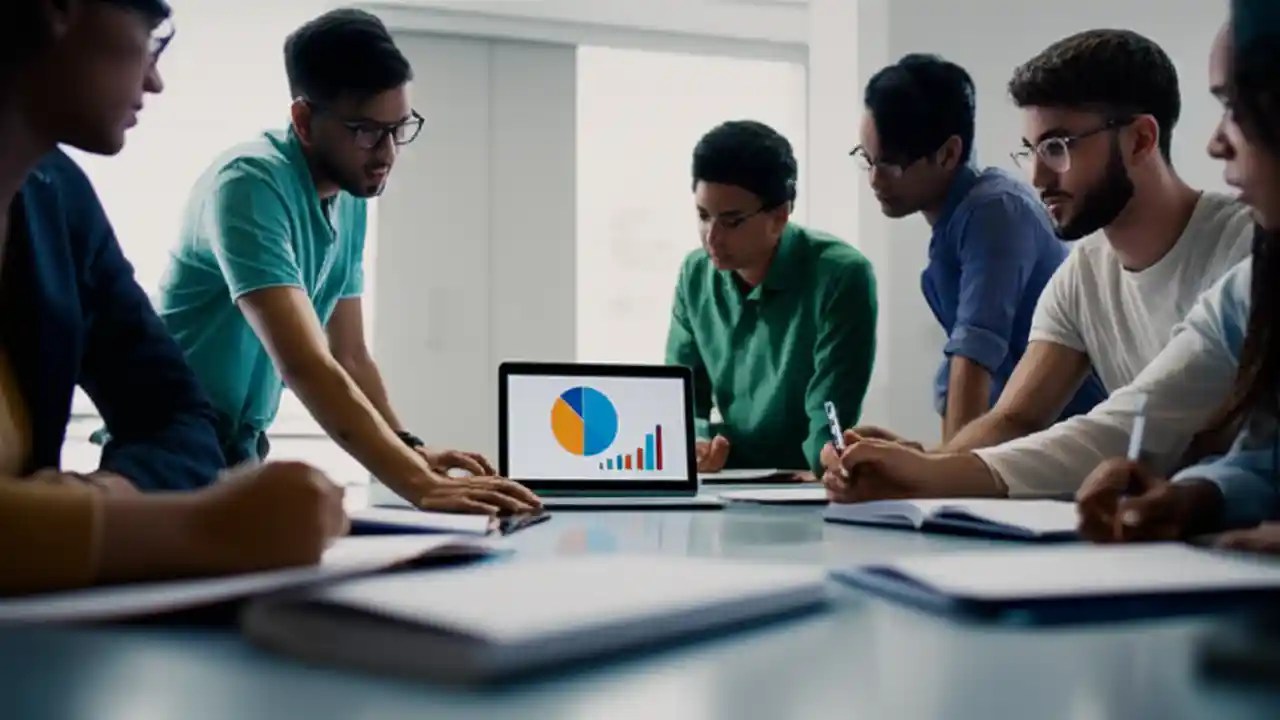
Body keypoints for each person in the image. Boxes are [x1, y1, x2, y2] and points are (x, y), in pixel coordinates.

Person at [0, 0, 346, 595]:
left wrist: (106, 495)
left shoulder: (59, 201)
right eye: (152, 33)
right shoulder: (249, 180)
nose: (156, 79)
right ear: (59, 8)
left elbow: (178, 418)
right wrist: (192, 529)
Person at [824, 28, 1255, 502]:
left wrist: (930, 472)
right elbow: (1014, 419)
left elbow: (1129, 424)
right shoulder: (1081, 276)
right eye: (1031, 151)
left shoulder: (1244, 250)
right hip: (1160, 531)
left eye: (1058, 147)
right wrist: (924, 464)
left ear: (1140, 140)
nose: (1037, 176)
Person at [156, 9, 540, 515]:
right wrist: (418, 485)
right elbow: (305, 362)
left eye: (398, 129)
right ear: (303, 121)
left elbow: (350, 355)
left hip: (236, 452)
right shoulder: (249, 184)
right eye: (365, 131)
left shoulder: (351, 197)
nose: (386, 154)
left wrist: (409, 448)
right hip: (166, 449)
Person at [1077, 9, 1280, 553]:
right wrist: (1193, 497)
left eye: (1236, 107)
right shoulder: (1256, 288)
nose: (1216, 143)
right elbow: (1264, 461)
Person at [854, 54, 1104, 444]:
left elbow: (974, 355)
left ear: (948, 154)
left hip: (1076, 452)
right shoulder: (955, 224)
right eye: (866, 159)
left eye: (889, 164)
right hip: (1025, 446)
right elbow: (958, 376)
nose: (873, 179)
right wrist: (926, 459)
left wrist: (940, 476)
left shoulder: (995, 211)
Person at [666, 120, 877, 475]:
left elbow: (830, 410)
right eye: (703, 216)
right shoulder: (695, 273)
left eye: (731, 221)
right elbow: (680, 393)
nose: (711, 237)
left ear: (779, 215)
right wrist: (695, 443)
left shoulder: (842, 276)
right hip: (724, 479)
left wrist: (829, 466)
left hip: (806, 480)